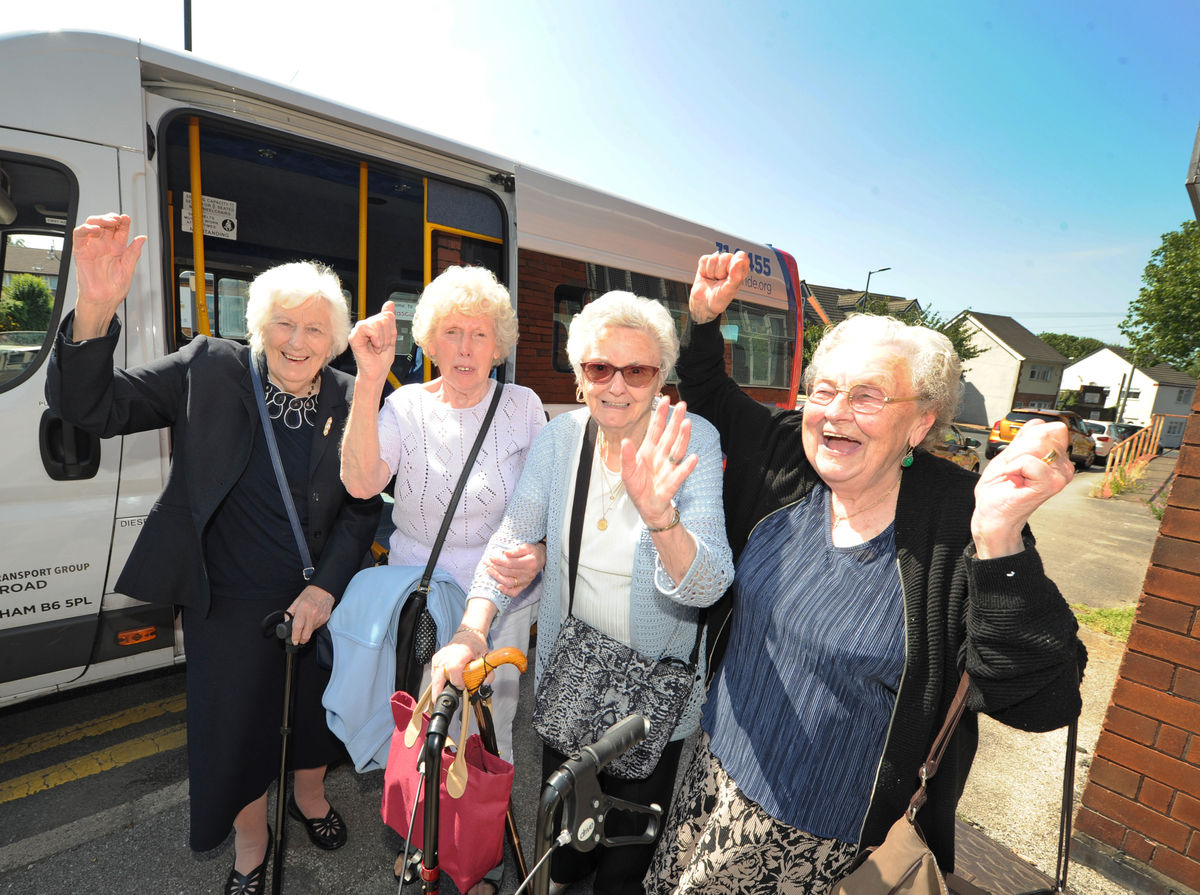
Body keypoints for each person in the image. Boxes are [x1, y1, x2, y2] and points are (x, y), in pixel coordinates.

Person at [645, 251, 1087, 895]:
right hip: (713, 778)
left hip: (836, 840)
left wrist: (1001, 541)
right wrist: (705, 320)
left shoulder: (964, 518)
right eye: (824, 390)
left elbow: (1046, 702)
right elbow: (710, 390)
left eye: (869, 395)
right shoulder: (788, 459)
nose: (835, 412)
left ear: (922, 421)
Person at [44, 214, 381, 895]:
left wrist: (329, 588)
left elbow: (364, 505)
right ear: (258, 324)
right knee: (236, 733)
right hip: (228, 604)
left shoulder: (353, 398)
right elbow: (92, 408)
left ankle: (311, 799)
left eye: (316, 328)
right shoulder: (209, 368)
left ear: (336, 339)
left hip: (320, 595)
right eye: (284, 323)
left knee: (317, 715)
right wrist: (96, 310)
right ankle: (251, 844)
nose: (298, 340)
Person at [431, 290, 735, 895]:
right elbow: (513, 535)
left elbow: (708, 585)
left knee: (625, 862)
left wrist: (658, 516)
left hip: (653, 696)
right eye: (600, 367)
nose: (617, 385)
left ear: (662, 377)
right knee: (563, 851)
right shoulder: (560, 438)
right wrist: (471, 629)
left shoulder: (689, 436)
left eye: (638, 370)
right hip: (574, 675)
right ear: (578, 376)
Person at [339, 264, 546, 895]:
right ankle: (419, 841)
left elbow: (541, 505)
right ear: (429, 340)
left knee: (487, 736)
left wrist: (535, 551)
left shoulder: (521, 407)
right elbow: (360, 482)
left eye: (480, 334)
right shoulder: (403, 405)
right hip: (421, 599)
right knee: (421, 727)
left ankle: (475, 858)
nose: (465, 348)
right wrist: (370, 383)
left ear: (499, 343)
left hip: (499, 600)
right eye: (452, 332)